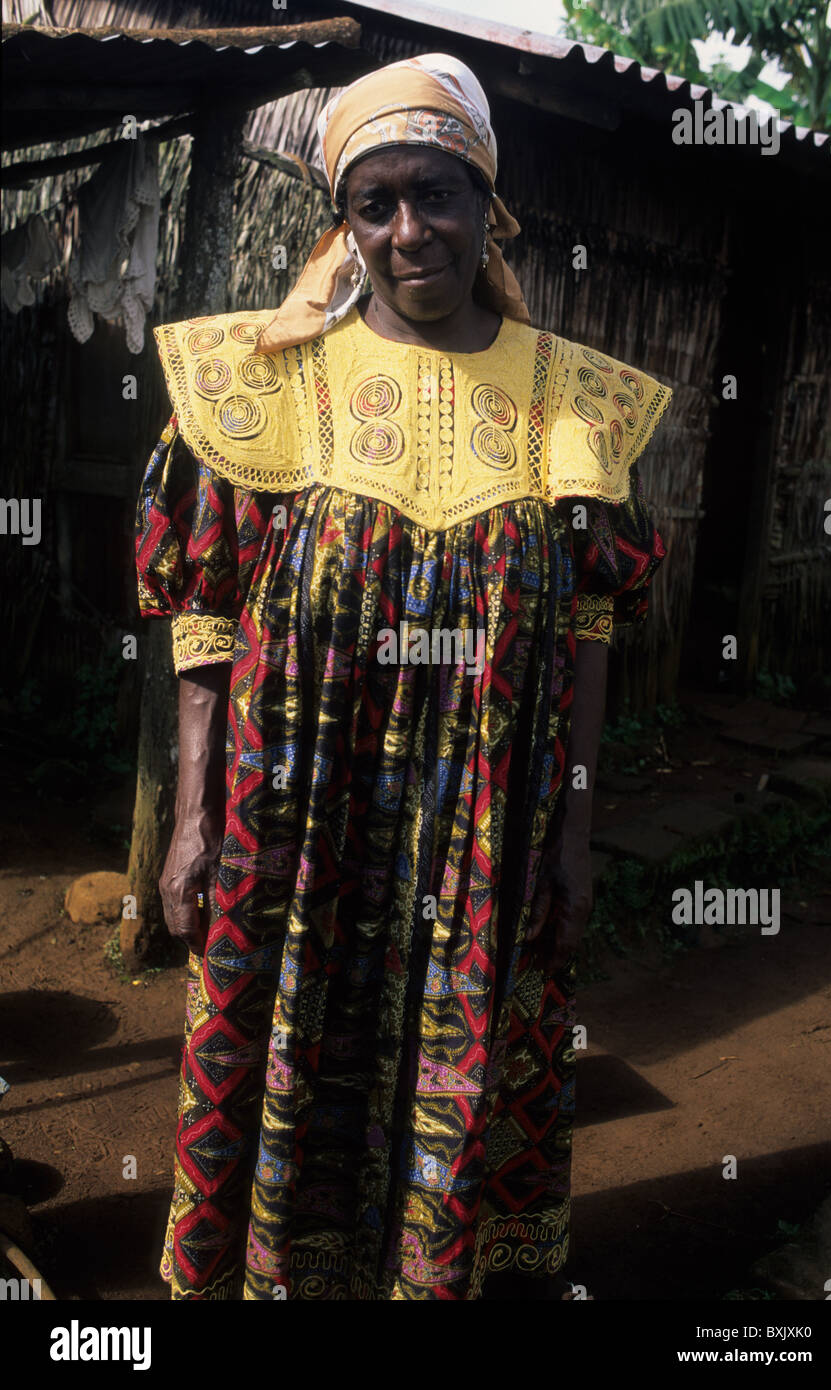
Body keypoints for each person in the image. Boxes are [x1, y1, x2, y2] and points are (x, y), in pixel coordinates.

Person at [135, 52, 671, 1301]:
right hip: (296, 827)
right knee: (283, 1055)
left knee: (469, 1080)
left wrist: (577, 827)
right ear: (346, 221)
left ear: (489, 201)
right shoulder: (262, 385)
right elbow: (202, 605)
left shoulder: (568, 405)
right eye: (373, 203)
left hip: (490, 833)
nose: (406, 229)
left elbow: (592, 626)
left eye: (432, 192)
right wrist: (197, 817)